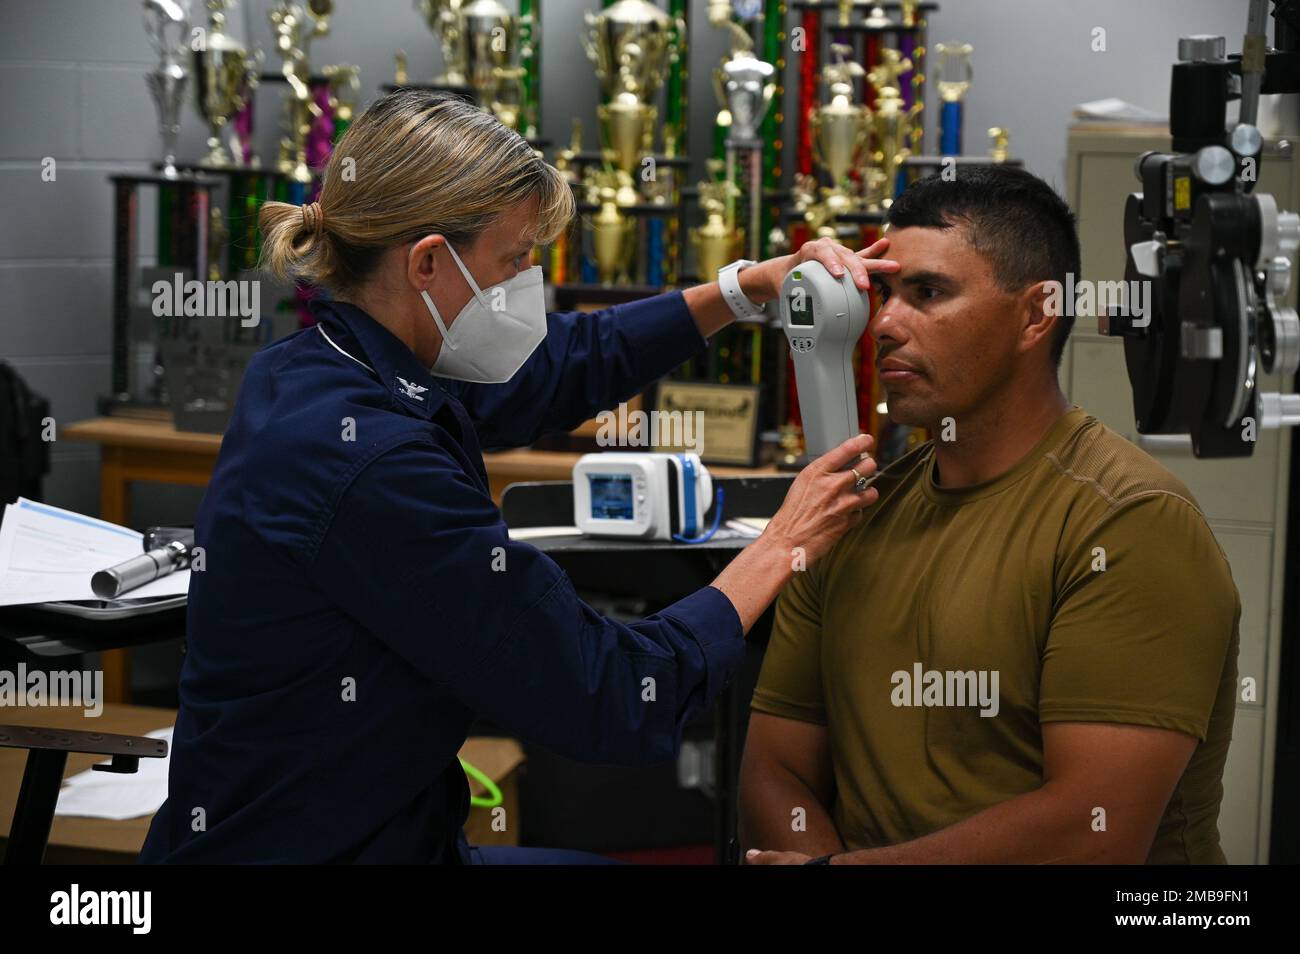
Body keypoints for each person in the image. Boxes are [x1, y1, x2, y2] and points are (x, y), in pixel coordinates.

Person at [139, 89, 899, 864]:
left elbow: (562, 366)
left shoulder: (324, 367)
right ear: (429, 262)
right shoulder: (372, 461)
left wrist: (742, 290)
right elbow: (606, 694)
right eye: (516, 260)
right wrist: (780, 546)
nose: (526, 284)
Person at [740, 166, 1241, 865]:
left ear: (1036, 314)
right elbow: (775, 771)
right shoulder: (850, 519)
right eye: (882, 293)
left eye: (928, 293)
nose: (882, 323)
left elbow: (1089, 832)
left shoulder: (1128, 524)